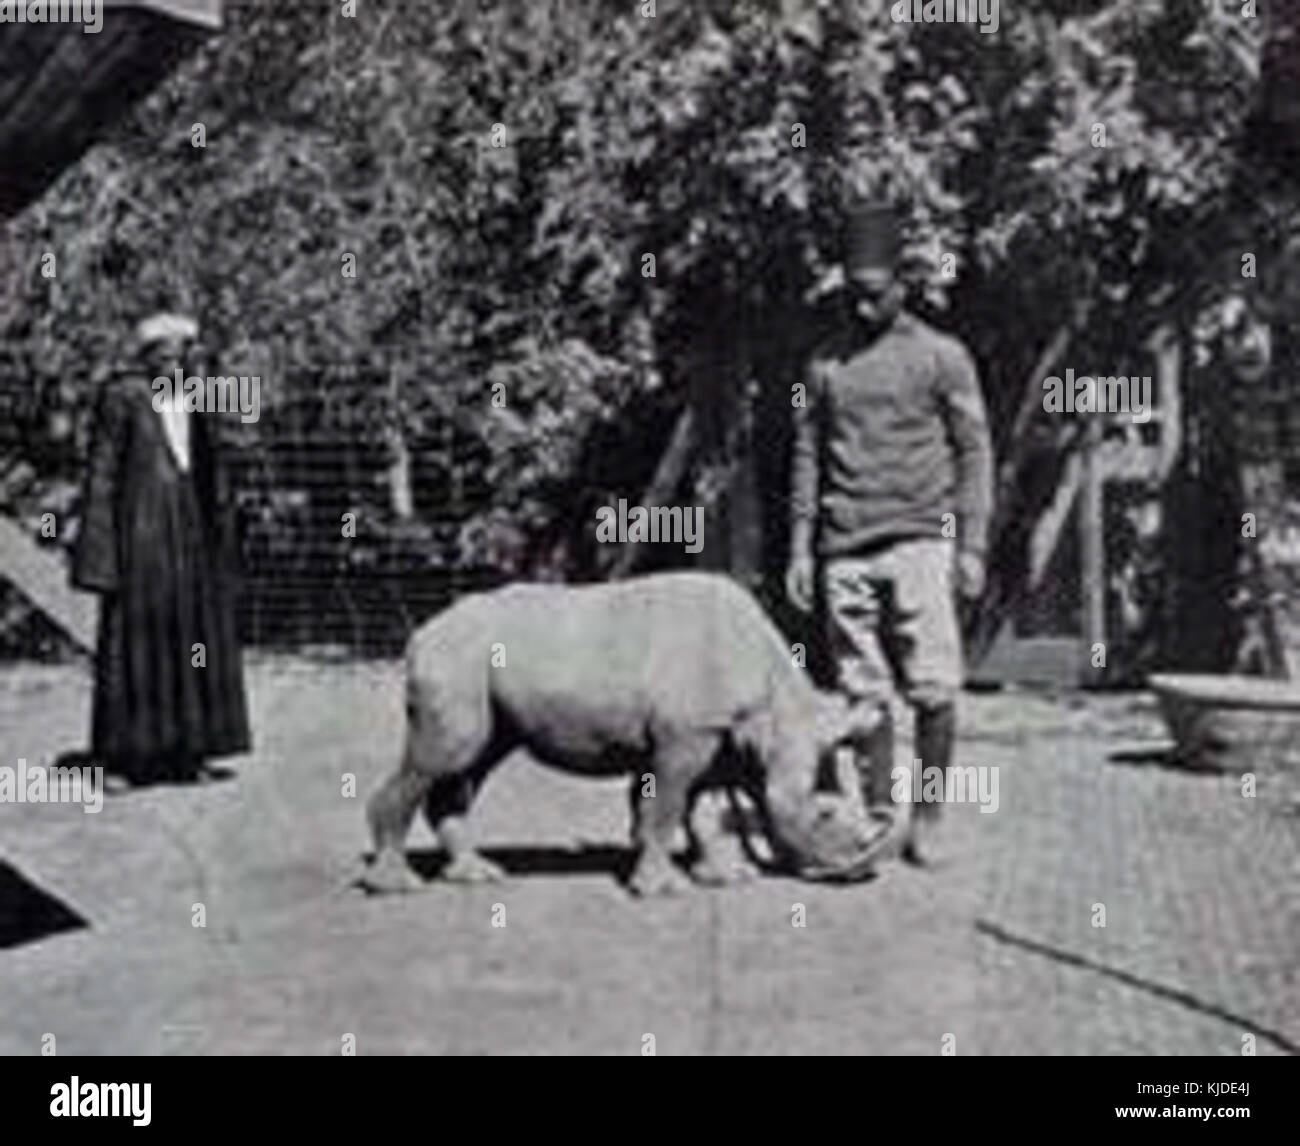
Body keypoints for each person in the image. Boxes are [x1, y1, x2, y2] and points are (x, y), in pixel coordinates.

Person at [786, 204, 993, 867]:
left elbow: (974, 450)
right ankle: (880, 817)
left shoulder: (942, 357)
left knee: (934, 690)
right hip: (844, 549)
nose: (864, 306)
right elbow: (808, 455)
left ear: (904, 282)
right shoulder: (824, 364)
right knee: (863, 697)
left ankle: (928, 816)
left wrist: (972, 543)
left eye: (875, 293)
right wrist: (799, 546)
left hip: (919, 544)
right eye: (853, 293)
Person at [71, 313, 250, 785]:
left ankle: (188, 751)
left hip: (189, 531)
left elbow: (218, 459)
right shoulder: (122, 396)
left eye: (183, 353)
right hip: (141, 534)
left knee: (193, 640)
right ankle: (123, 759)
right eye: (166, 354)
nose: (176, 363)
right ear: (148, 356)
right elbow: (102, 474)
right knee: (135, 645)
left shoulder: (198, 396)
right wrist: (99, 557)